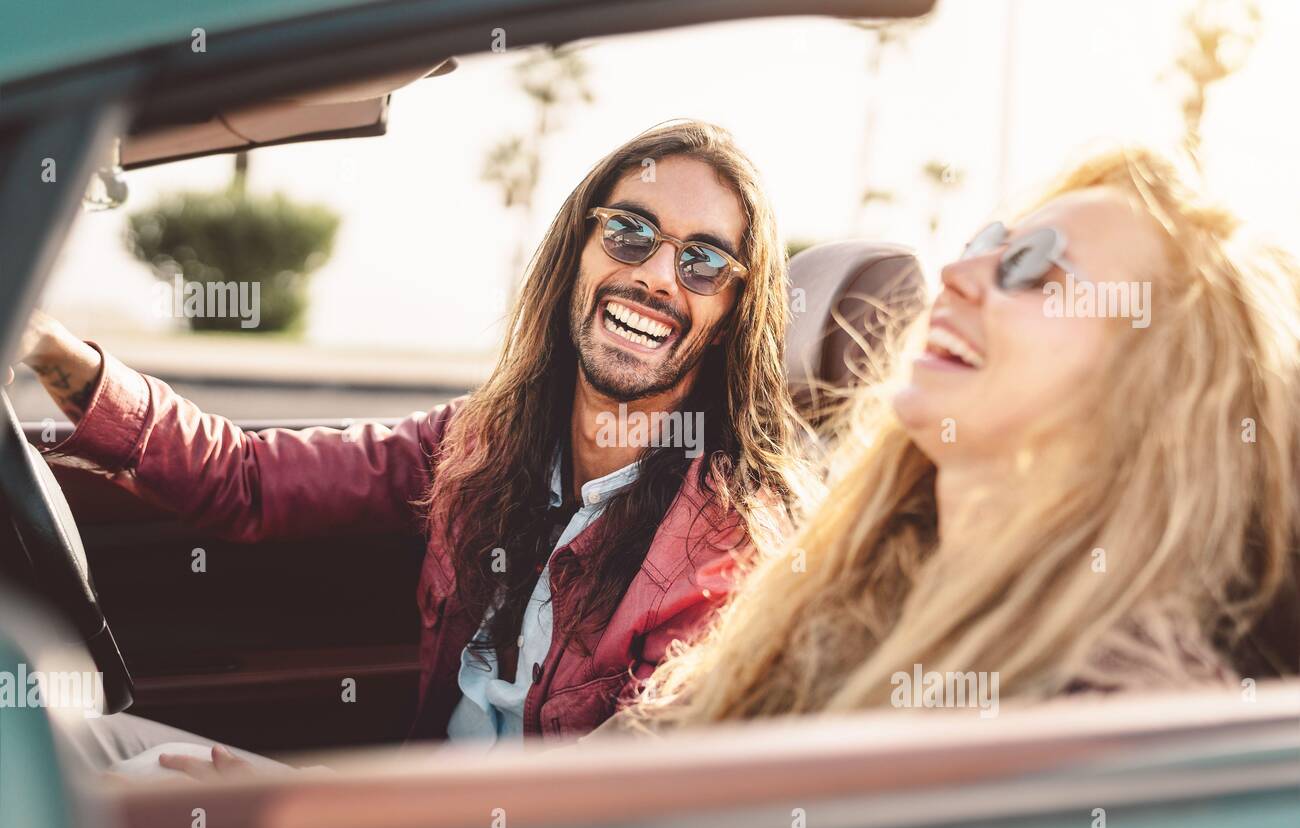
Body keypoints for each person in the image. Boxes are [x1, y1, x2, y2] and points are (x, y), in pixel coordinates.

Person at [13, 120, 810, 773]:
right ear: (579, 249)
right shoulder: (482, 440)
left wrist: (332, 821)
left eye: (704, 261)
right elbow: (247, 480)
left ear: (735, 309)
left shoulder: (724, 549)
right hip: (408, 818)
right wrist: (49, 354)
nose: (660, 276)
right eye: (632, 232)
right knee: (71, 748)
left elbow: (610, 810)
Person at [617, 146, 1300, 731]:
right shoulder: (826, 598)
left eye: (1034, 268)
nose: (956, 275)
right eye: (984, 245)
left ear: (1158, 393)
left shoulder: (1127, 721)